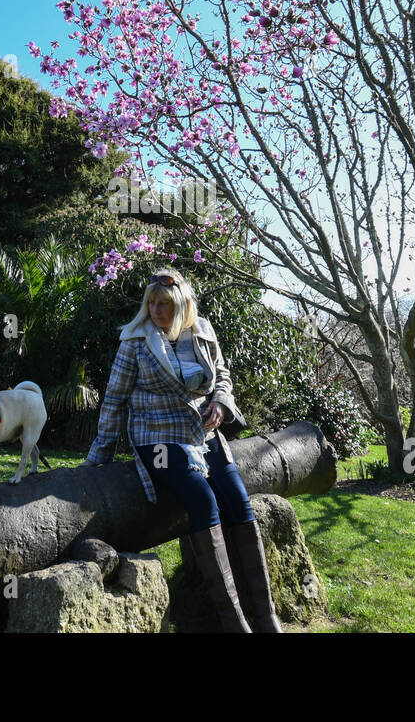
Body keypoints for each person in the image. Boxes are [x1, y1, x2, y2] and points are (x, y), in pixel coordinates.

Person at [79, 266, 282, 632]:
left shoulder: (202, 332)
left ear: (182, 305)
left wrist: (219, 401)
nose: (157, 311)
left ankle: (266, 616)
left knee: (238, 500)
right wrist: (100, 455)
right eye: (152, 303)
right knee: (202, 499)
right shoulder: (134, 341)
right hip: (157, 435)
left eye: (165, 304)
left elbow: (222, 375)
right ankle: (234, 624)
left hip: (204, 435)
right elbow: (114, 399)